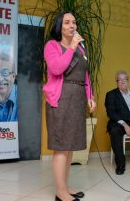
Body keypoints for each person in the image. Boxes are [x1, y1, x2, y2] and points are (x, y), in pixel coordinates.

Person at [43, 11, 96, 201]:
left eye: (74, 22)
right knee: (61, 146)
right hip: (60, 99)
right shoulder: (52, 45)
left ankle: (65, 187)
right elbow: (56, 68)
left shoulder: (81, 50)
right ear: (60, 26)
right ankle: (60, 192)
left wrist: (90, 96)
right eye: (67, 22)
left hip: (77, 99)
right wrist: (72, 46)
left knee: (70, 146)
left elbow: (85, 76)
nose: (72, 25)